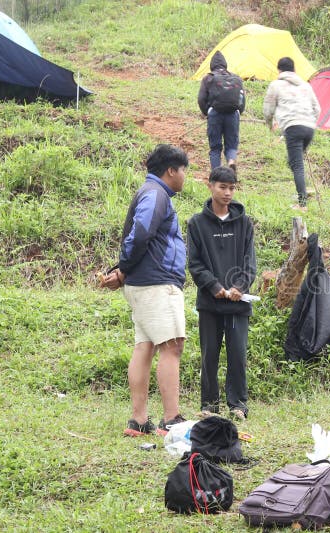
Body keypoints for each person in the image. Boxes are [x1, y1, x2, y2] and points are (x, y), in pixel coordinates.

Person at [100, 144, 190, 437]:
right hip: (156, 283)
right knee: (172, 346)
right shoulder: (156, 194)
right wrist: (123, 268)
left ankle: (138, 420)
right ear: (171, 171)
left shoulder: (153, 193)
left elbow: (141, 237)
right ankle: (171, 419)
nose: (185, 177)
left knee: (145, 346)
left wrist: (123, 271)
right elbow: (140, 234)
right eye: (184, 171)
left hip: (143, 283)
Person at [187, 165, 257, 421]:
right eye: (222, 187)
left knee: (237, 355)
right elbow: (194, 263)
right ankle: (209, 405)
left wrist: (239, 287)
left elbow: (250, 262)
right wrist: (214, 287)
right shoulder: (196, 224)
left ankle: (238, 404)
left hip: (238, 303)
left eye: (232, 188)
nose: (227, 193)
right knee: (209, 354)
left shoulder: (244, 223)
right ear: (210, 186)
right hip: (210, 302)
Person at [262, 56, 321, 209]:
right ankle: (303, 191)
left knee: (297, 165)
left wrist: (270, 124)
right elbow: (317, 109)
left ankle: (302, 204)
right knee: (295, 162)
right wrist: (309, 122)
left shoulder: (276, 85)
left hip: (293, 128)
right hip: (309, 128)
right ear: (294, 70)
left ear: (279, 70)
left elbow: (268, 109)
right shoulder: (306, 86)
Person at [197, 51, 241, 171]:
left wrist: (207, 112)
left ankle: (216, 174)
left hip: (215, 114)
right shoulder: (236, 78)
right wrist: (238, 112)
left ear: (211, 65)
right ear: (225, 65)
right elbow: (242, 99)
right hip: (232, 114)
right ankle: (231, 161)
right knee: (231, 145)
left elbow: (201, 99)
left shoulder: (208, 78)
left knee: (215, 148)